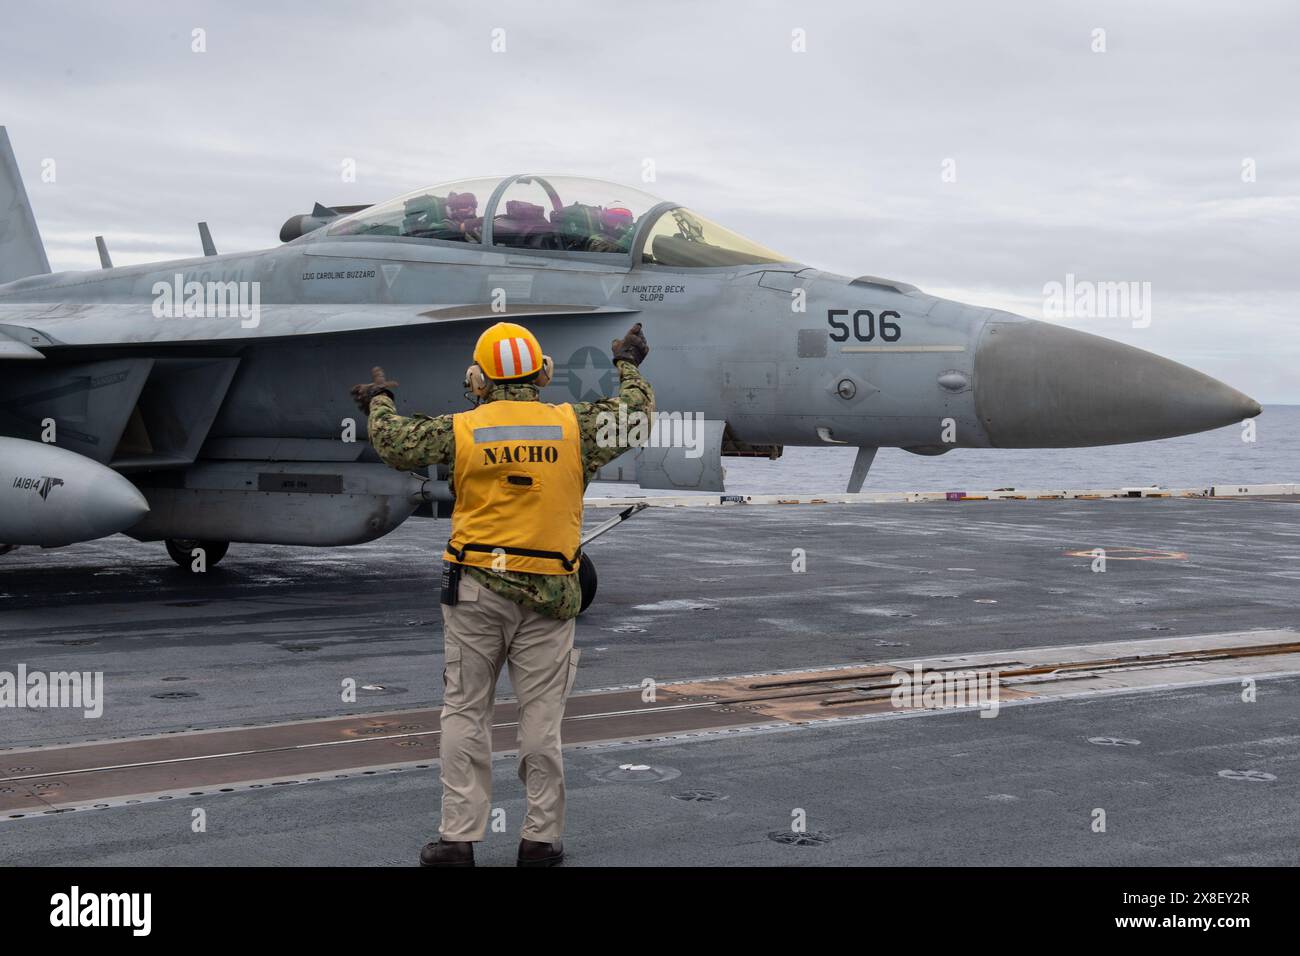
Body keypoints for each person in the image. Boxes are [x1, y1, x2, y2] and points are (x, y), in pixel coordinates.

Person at [350, 321, 653, 867]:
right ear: (543, 373)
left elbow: (395, 441)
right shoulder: (575, 426)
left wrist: (379, 400)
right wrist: (628, 362)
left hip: (476, 593)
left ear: (478, 378)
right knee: (541, 720)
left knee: (465, 712)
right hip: (552, 596)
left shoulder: (462, 428)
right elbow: (636, 413)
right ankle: (540, 840)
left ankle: (458, 841)